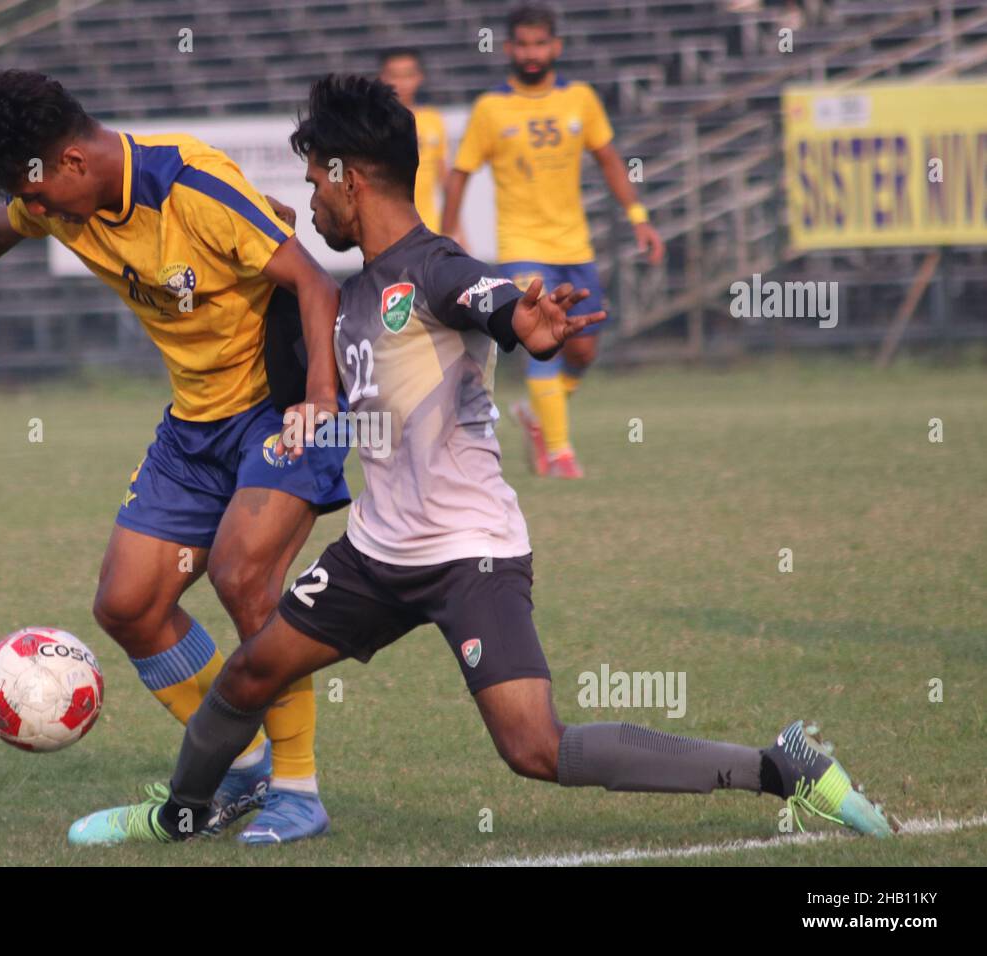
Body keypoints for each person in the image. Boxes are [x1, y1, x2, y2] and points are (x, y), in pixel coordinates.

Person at [66, 74, 894, 846]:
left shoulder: (433, 268)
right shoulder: (350, 292)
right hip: (374, 556)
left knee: (534, 748)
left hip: (471, 556)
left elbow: (490, 299)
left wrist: (528, 324)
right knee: (247, 674)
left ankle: (780, 766)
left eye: (318, 180)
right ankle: (179, 815)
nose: (310, 198)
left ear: (351, 177)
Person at [0, 69, 350, 842]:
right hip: (193, 427)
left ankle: (298, 788)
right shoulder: (52, 201)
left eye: (35, 193)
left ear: (70, 161)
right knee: (129, 605)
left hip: (279, 410)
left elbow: (313, 282)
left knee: (245, 576)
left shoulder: (191, 185)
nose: (32, 210)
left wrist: (323, 402)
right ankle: (240, 765)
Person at [441, 5, 665, 478]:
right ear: (509, 48)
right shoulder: (491, 109)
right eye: (522, 44)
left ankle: (538, 416)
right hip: (522, 246)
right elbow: (459, 175)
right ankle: (561, 454)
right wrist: (446, 234)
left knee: (583, 351)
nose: (531, 52)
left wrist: (639, 218)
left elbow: (609, 160)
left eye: (540, 43)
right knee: (541, 337)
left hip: (575, 247)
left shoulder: (580, 100)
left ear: (555, 47)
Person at [378, 47, 447, 233]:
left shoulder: (433, 119)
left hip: (430, 226)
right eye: (395, 75)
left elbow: (443, 177)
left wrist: (457, 230)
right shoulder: (375, 122)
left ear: (419, 77)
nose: (402, 83)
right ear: (382, 78)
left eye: (408, 75)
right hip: (389, 228)